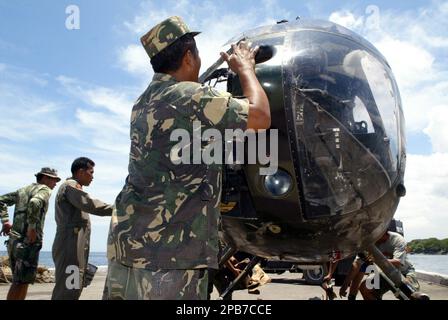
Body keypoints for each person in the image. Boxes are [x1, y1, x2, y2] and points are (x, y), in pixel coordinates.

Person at [106, 16, 270, 300]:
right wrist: (245, 68)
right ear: (188, 56)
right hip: (171, 258)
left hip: (128, 246)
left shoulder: (142, 103)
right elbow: (260, 116)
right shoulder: (189, 96)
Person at [51, 157, 113, 300]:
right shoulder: (71, 186)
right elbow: (91, 205)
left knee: (74, 286)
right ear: (80, 172)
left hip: (73, 243)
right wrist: (119, 209)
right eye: (91, 172)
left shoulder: (71, 187)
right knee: (68, 289)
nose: (93, 176)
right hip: (70, 244)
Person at [0, 167, 61, 300]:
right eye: (54, 180)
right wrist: (32, 228)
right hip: (27, 242)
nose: (55, 184)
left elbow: (1, 200)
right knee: (20, 282)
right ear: (45, 178)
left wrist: (5, 221)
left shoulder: (23, 190)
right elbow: (35, 202)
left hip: (14, 241)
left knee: (20, 281)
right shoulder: (44, 190)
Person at [359, 231, 420, 300]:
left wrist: (377, 261)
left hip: (403, 272)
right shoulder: (372, 242)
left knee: (413, 295)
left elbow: (398, 262)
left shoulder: (398, 239)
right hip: (384, 273)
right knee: (365, 288)